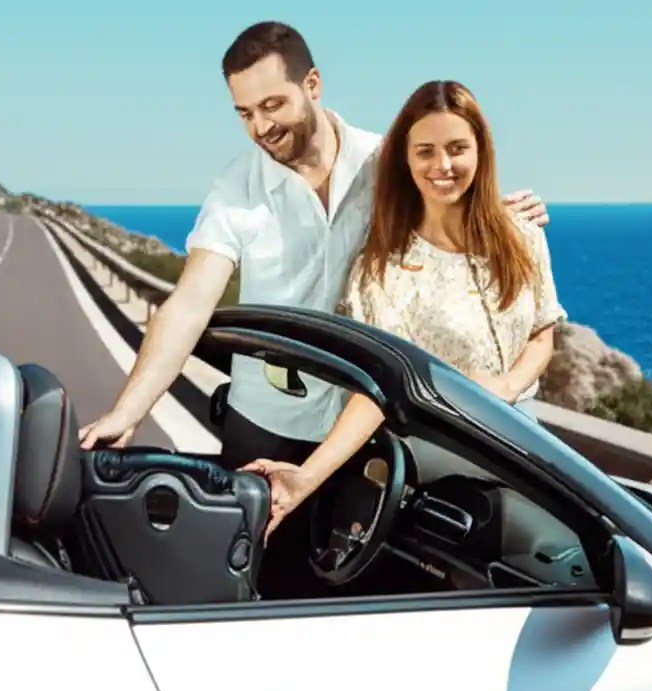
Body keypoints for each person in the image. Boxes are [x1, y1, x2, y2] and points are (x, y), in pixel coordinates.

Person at [78, 21, 548, 474]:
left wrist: (507, 212)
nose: (261, 127)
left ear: (313, 85)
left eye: (273, 105)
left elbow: (450, 188)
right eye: (245, 113)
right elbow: (189, 304)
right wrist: (128, 412)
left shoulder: (384, 162)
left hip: (363, 429)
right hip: (266, 423)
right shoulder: (237, 187)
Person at [242, 78, 568, 540]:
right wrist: (305, 478)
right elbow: (375, 390)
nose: (443, 165)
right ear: (406, 159)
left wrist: (505, 388)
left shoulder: (524, 234)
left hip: (528, 443)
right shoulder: (382, 268)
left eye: (457, 148)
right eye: (426, 152)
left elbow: (542, 332)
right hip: (442, 468)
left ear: (481, 151)